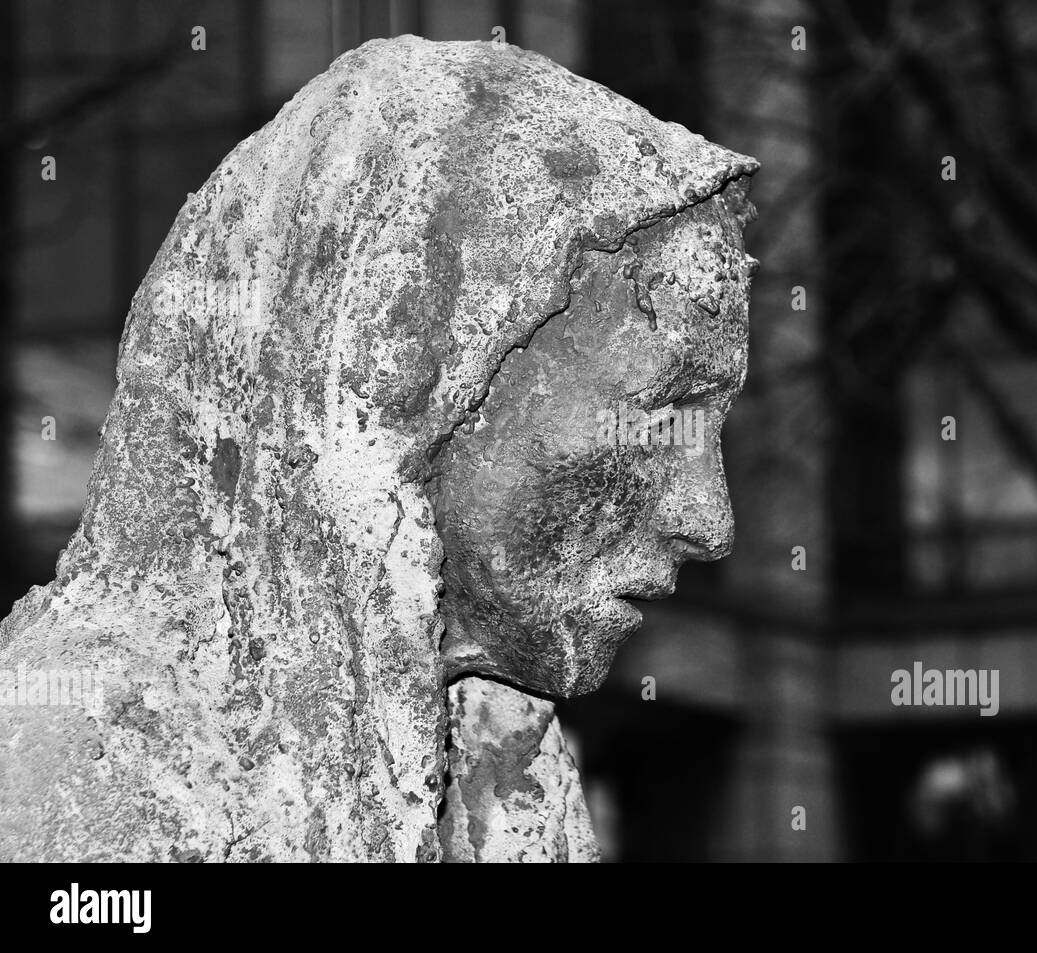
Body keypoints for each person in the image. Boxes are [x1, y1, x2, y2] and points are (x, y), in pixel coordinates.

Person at [0, 35, 757, 862]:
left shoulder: (491, 780)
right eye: (662, 414)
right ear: (413, 377)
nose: (710, 521)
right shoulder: (88, 783)